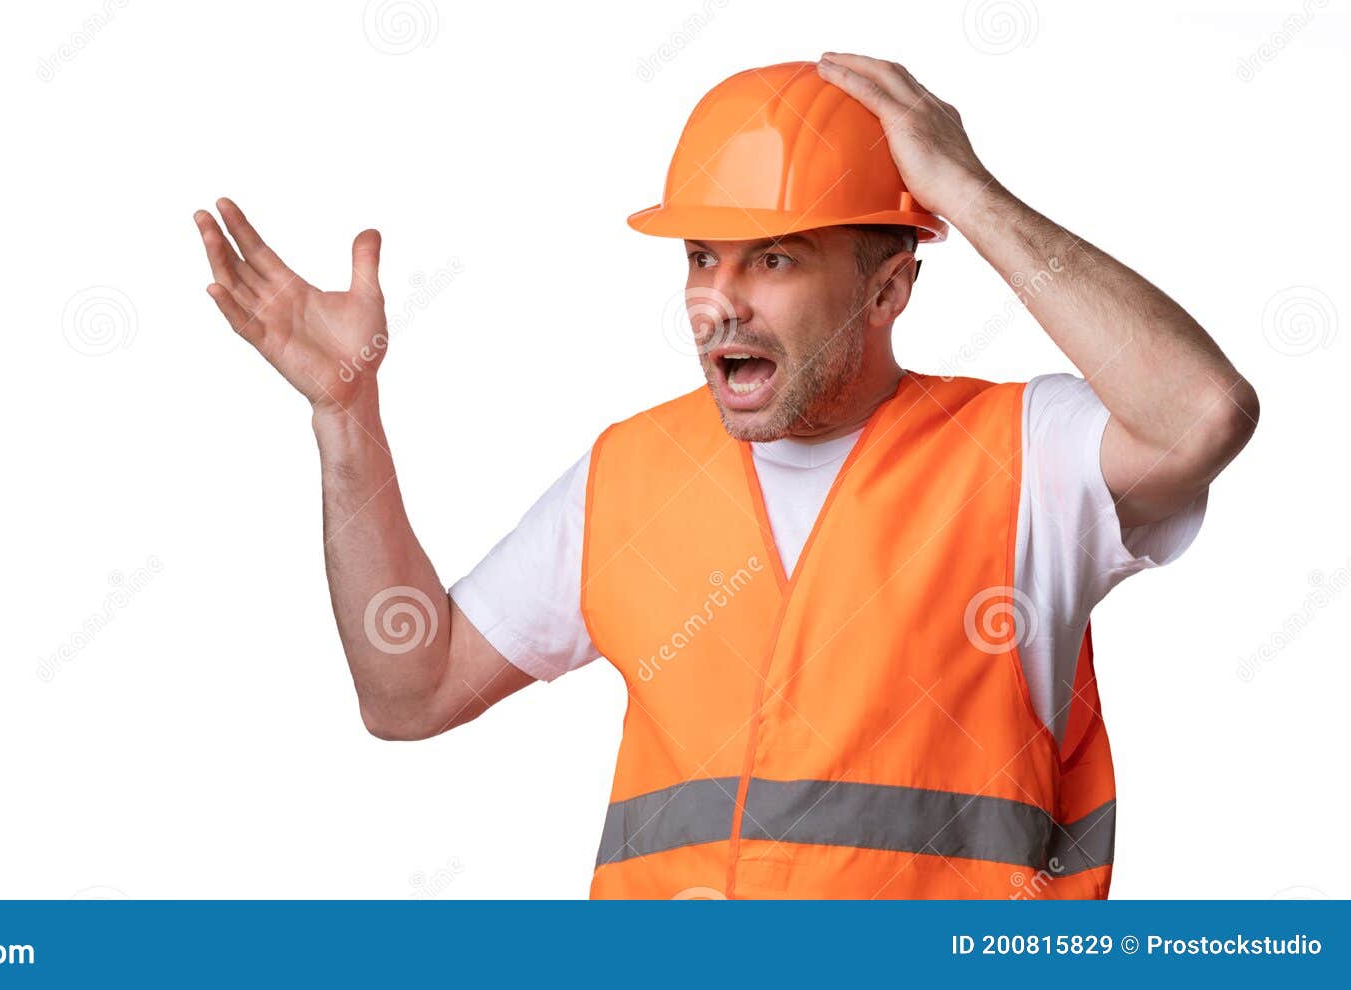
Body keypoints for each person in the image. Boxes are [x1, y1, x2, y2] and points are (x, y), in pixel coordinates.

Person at [192, 55, 1258, 899]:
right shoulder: (630, 475)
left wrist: (966, 195)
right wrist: (346, 413)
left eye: (775, 259)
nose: (719, 303)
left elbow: (1199, 413)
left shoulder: (1025, 455)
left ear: (889, 289)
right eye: (702, 257)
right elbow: (407, 691)